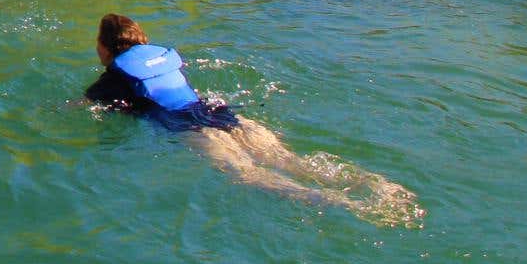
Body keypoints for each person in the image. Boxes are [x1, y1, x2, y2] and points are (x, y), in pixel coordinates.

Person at [85, 13, 420, 225]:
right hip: (219, 112)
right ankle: (376, 184)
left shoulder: (114, 77)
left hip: (190, 126)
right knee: (287, 158)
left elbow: (87, 105)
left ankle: (341, 204)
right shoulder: (162, 57)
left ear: (105, 47)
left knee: (246, 175)